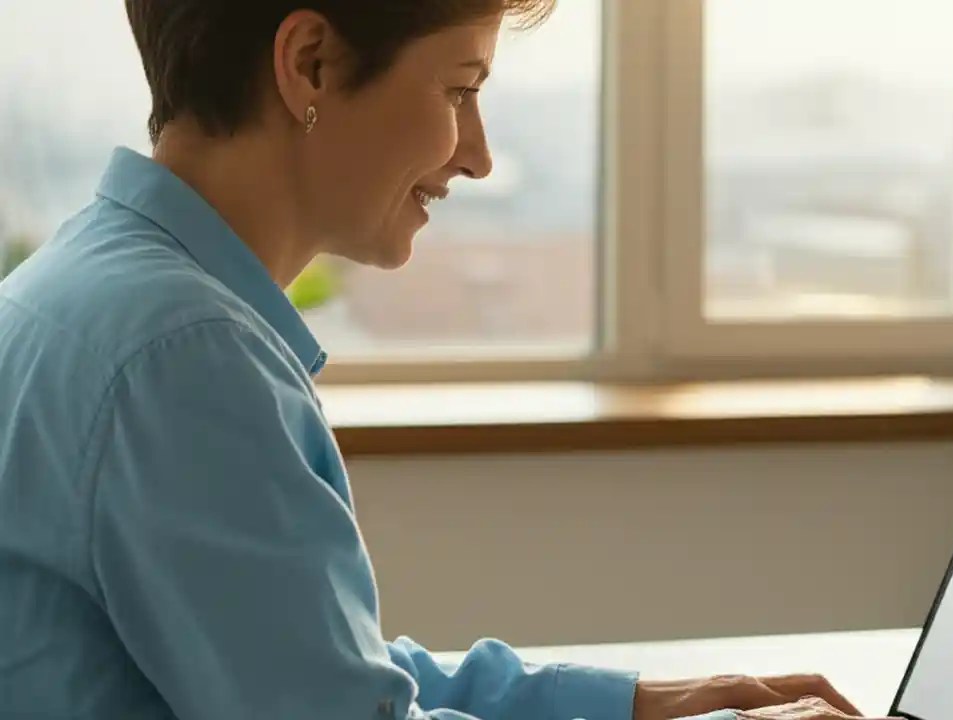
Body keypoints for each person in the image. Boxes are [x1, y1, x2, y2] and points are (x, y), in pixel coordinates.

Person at [0, 2, 898, 719]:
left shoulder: (83, 290)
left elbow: (320, 668)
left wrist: (630, 706)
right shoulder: (185, 360)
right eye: (460, 91)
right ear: (308, 63)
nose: (477, 155)